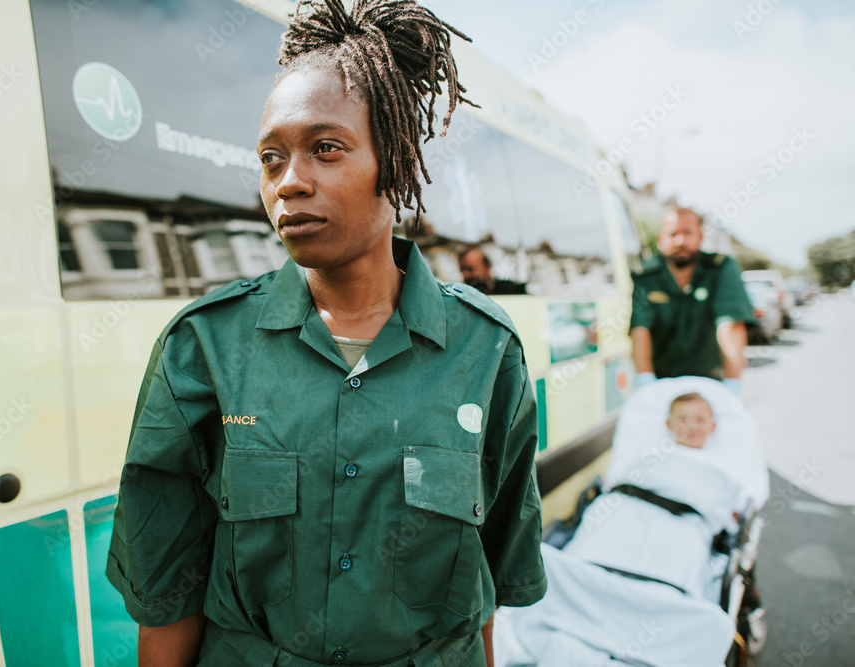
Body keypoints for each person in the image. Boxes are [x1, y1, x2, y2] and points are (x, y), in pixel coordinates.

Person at [105, 2, 546, 666]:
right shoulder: (203, 349)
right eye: (271, 158)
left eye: (326, 148)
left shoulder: (486, 352)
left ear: (394, 162)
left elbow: (486, 586)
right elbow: (168, 593)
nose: (290, 182)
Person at [630, 206, 756, 394]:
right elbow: (640, 329)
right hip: (661, 380)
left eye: (687, 233)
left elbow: (730, 325)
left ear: (700, 236)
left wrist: (732, 383)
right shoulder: (645, 275)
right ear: (660, 239)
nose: (680, 241)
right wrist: (645, 379)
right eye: (672, 234)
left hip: (710, 379)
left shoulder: (721, 268)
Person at [458, 246, 527, 295]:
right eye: (462, 270)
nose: (465, 275)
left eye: (470, 269)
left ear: (487, 267)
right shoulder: (460, 294)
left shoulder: (509, 291)